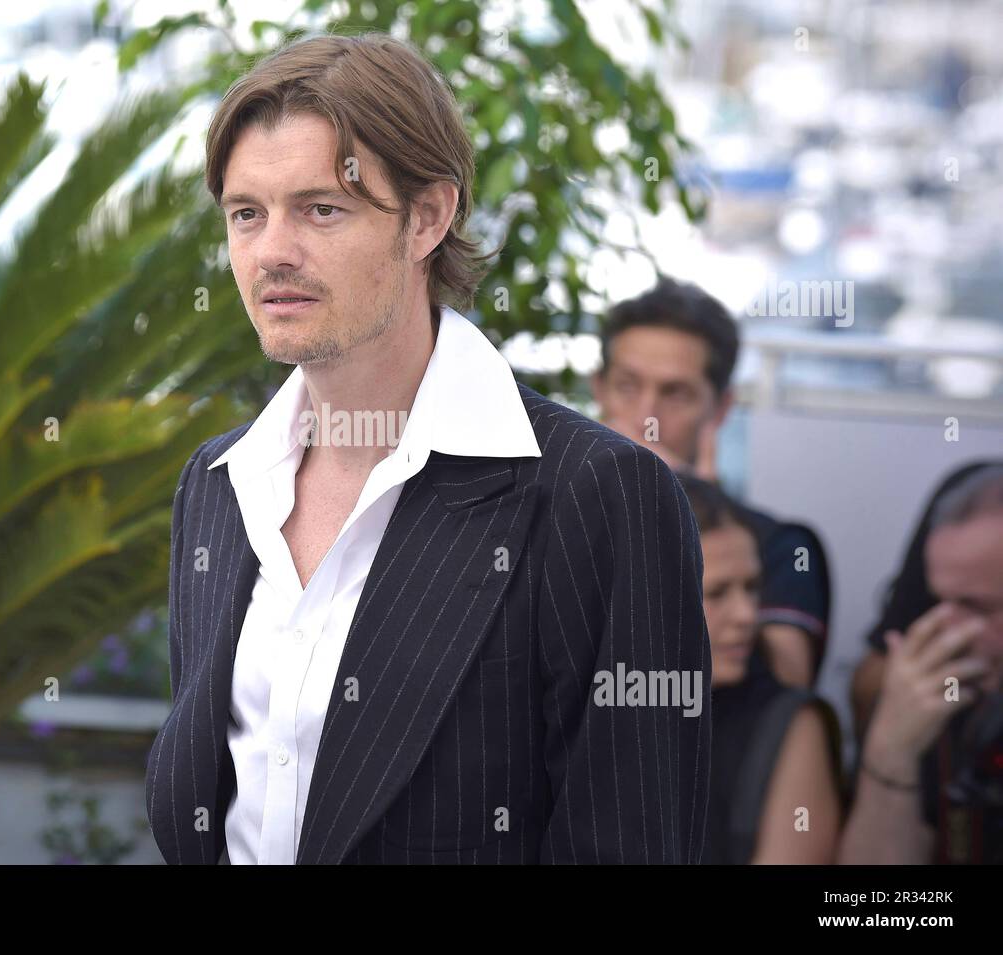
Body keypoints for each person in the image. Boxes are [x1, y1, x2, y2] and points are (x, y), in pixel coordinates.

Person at [143, 32, 711, 865]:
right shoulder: (220, 485)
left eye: (321, 209)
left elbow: (631, 840)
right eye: (246, 214)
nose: (271, 252)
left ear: (428, 218)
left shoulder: (597, 495)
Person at [593, 278, 830, 689]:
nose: (646, 416)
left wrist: (686, 513)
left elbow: (786, 690)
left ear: (720, 410)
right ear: (599, 390)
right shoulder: (549, 518)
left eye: (676, 394)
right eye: (627, 387)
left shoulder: (779, 546)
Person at [838, 465, 1003, 864]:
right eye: (938, 602)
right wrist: (891, 748)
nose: (948, 632)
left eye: (976, 606)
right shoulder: (948, 695)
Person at [677, 474, 842, 864]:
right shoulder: (571, 707)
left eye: (752, 587)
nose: (748, 615)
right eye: (716, 593)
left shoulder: (785, 724)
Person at [849, 459, 1002, 742]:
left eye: (979, 606)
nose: (952, 626)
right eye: (942, 602)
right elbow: (872, 681)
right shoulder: (971, 507)